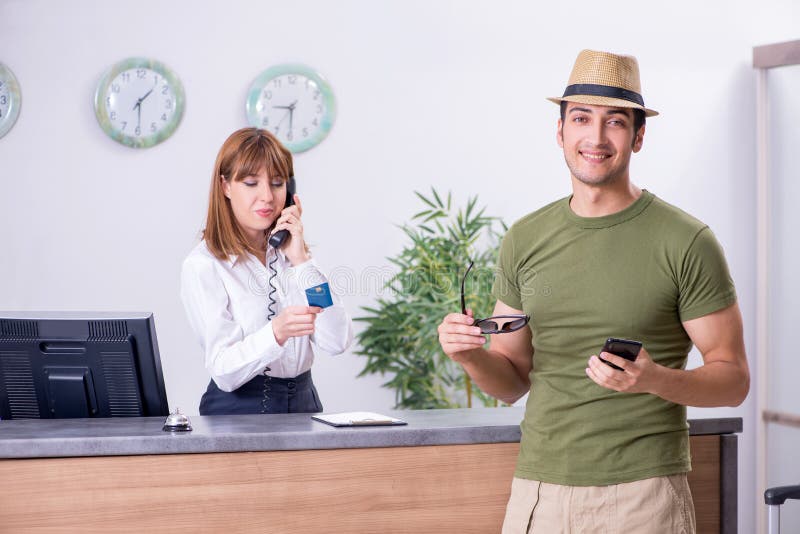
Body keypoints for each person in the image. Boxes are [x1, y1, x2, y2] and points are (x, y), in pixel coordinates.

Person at [437, 50, 749, 533]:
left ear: (639, 136)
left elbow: (733, 380)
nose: (596, 138)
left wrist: (652, 380)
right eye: (581, 118)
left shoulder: (686, 241)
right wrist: (469, 356)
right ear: (560, 133)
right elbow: (513, 380)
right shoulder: (525, 237)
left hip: (645, 496)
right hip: (540, 493)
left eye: (616, 122)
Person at [181, 127, 353, 416]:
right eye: (251, 183)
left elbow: (337, 341)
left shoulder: (293, 255)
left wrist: (302, 262)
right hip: (236, 410)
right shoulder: (204, 265)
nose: (267, 197)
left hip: (303, 404)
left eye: (276, 183)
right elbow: (223, 370)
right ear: (225, 187)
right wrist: (276, 332)